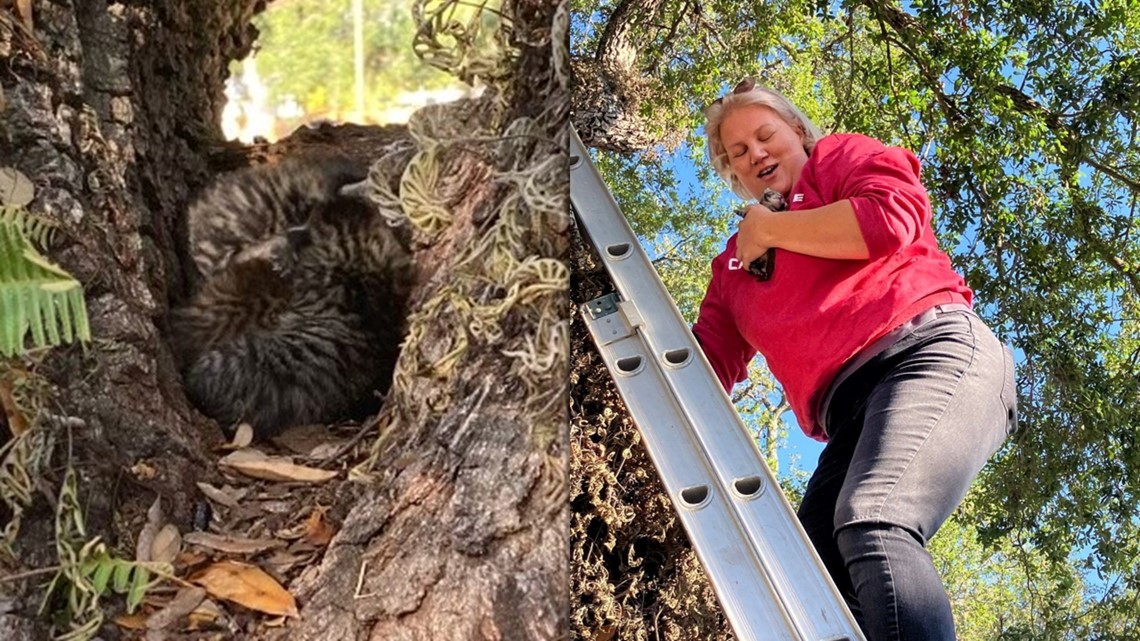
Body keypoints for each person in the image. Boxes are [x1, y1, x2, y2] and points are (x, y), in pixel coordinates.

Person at [692, 78, 1019, 641]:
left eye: (766, 136)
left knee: (874, 517)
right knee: (806, 578)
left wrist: (772, 228)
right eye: (738, 153)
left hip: (929, 351)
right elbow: (704, 369)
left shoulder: (838, 159)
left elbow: (889, 219)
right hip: (849, 415)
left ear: (797, 132)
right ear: (734, 174)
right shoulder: (734, 267)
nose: (757, 155)